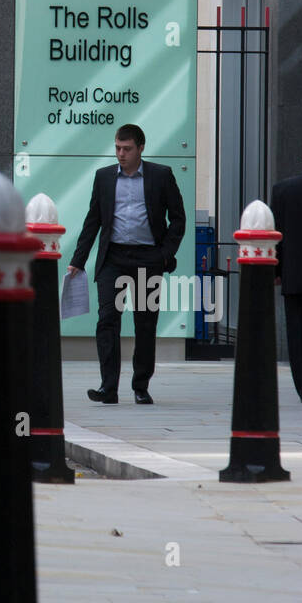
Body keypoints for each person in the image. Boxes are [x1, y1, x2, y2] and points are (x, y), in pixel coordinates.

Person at [66, 123, 186, 406]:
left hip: (148, 259)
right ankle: (108, 388)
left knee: (145, 323)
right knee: (107, 320)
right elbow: (93, 220)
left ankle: (141, 386)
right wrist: (78, 261)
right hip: (113, 259)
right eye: (118, 148)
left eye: (127, 149)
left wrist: (165, 255)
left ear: (141, 148)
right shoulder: (104, 177)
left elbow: (178, 218)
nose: (121, 154)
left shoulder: (161, 176)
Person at [271, 144, 302, 402]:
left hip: (295, 276)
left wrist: (277, 270)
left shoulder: (283, 190)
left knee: (297, 335)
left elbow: (277, 235)